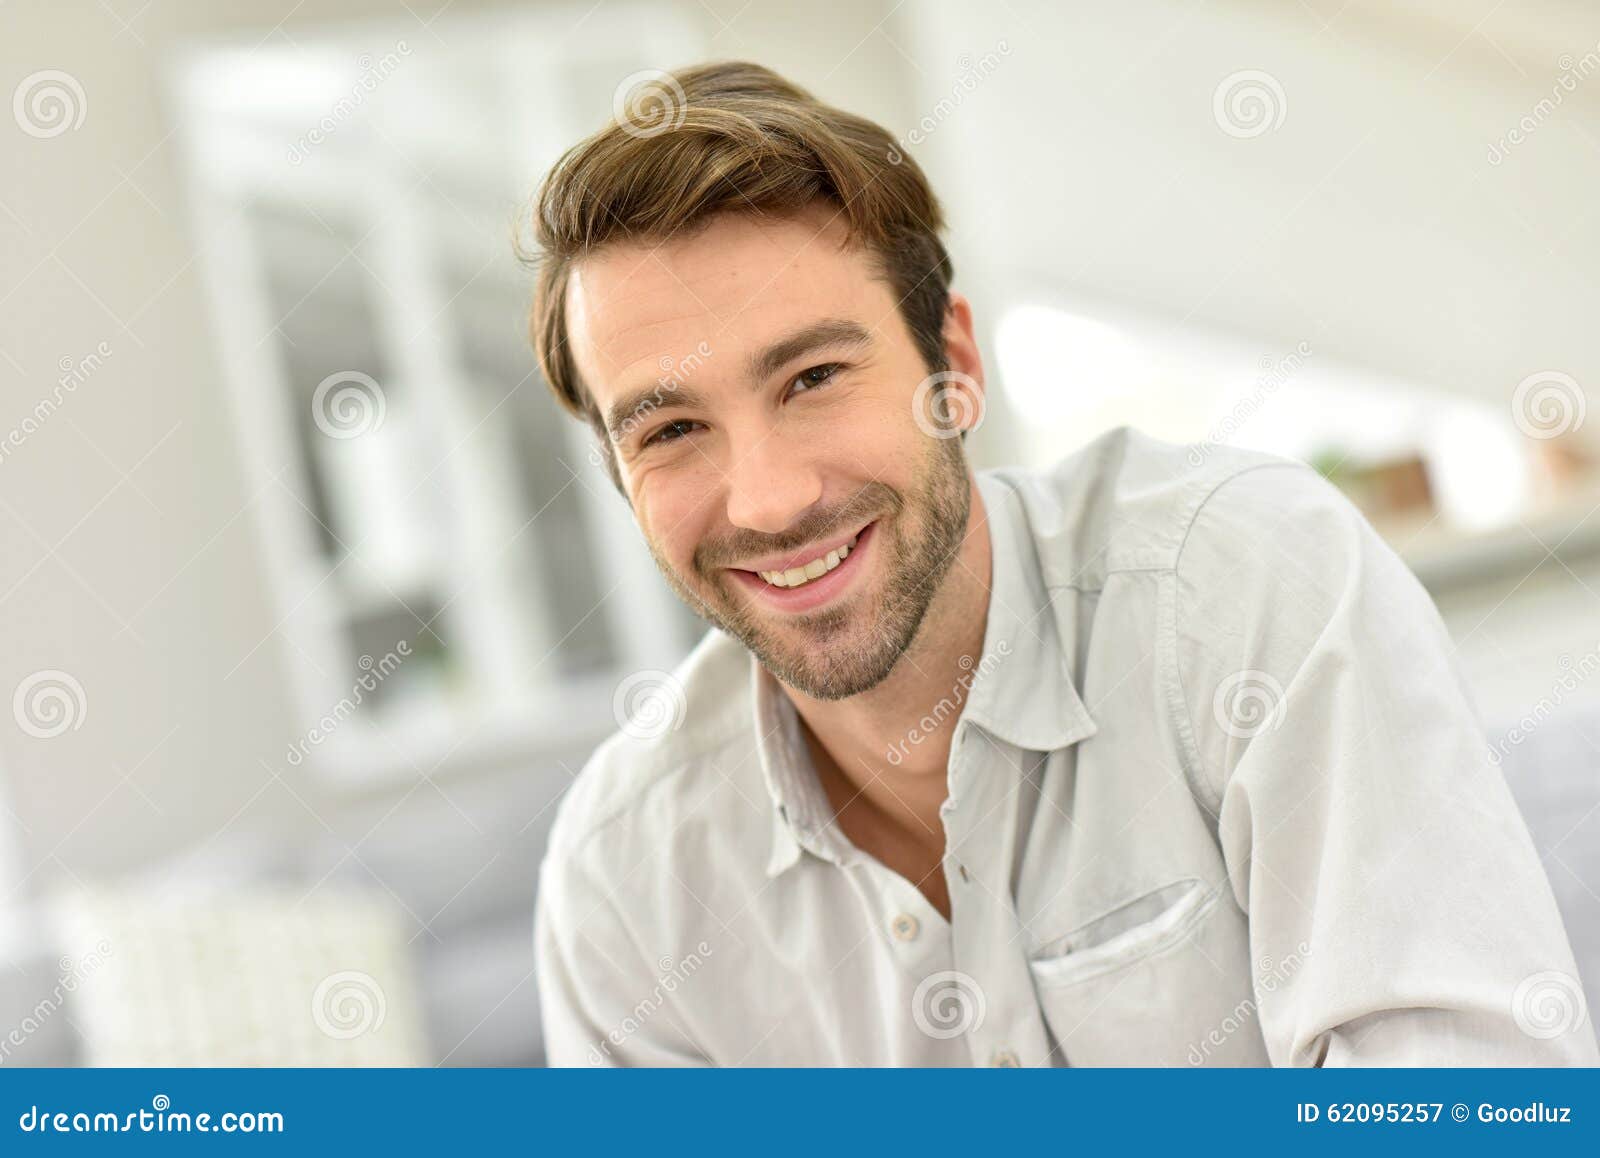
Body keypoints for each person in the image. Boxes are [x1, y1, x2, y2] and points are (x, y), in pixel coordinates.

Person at [526, 61, 1597, 1067]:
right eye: (668, 431)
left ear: (952, 363)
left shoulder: (1244, 589)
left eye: (811, 378)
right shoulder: (625, 884)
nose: (766, 499)